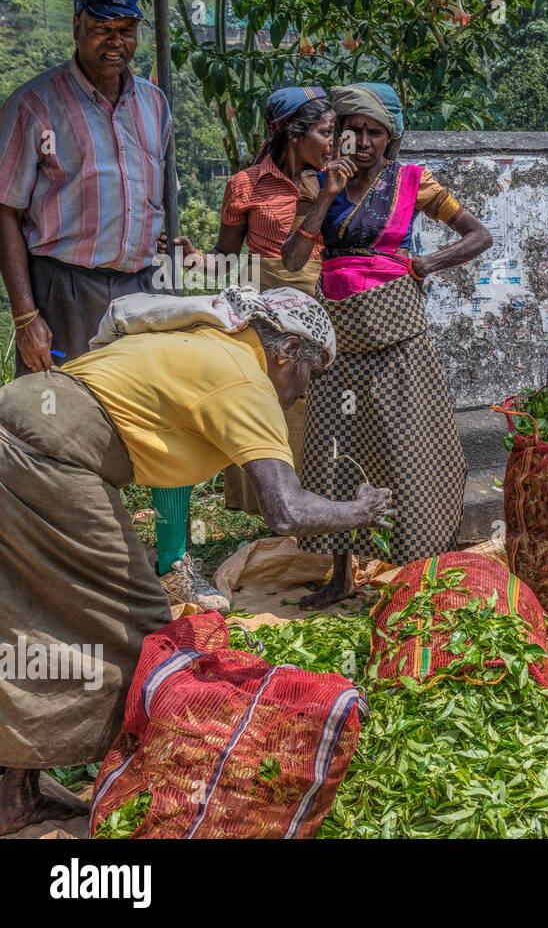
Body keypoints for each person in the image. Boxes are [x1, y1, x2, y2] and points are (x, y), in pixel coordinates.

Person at [0, 286, 395, 835]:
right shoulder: (243, 376)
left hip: (21, 420)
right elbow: (284, 510)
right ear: (285, 353)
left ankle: (13, 793)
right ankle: (165, 779)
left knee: (24, 612)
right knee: (138, 626)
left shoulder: (202, 341)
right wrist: (358, 510)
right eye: (310, 376)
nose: (303, 394)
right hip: (50, 454)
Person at [0, 0, 233, 610]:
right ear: (78, 28)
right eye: (103, 28)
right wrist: (26, 315)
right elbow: (6, 211)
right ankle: (58, 578)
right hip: (64, 283)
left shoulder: (154, 103)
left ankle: (173, 562)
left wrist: (174, 251)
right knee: (53, 427)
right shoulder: (34, 105)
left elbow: (159, 195)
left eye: (127, 30)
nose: (117, 41)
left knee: (168, 413)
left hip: (142, 284)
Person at [280, 82, 493, 610]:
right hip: (338, 340)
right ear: (340, 136)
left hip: (397, 336)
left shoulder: (415, 184)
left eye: (375, 131)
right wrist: (328, 192)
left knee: (410, 451)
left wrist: (425, 265)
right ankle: (340, 574)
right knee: (335, 450)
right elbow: (289, 259)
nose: (363, 139)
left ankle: (414, 573)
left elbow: (478, 235)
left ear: (390, 138)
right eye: (353, 129)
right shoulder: (315, 185)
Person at [167, 87, 336, 521]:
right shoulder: (245, 186)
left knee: (315, 407)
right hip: (264, 312)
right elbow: (228, 259)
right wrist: (196, 260)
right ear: (294, 135)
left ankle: (317, 516)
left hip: (319, 306)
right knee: (265, 398)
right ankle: (273, 511)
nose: (333, 143)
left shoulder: (334, 182)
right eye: (325, 132)